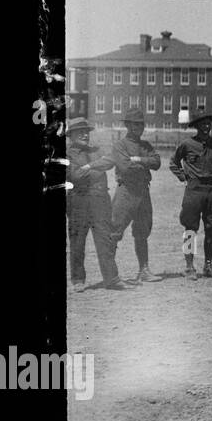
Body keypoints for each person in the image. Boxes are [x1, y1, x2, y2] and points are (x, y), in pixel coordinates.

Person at [66, 117, 127, 291]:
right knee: (77, 241)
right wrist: (94, 169)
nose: (85, 135)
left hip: (100, 200)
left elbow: (110, 161)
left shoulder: (96, 149)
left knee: (105, 239)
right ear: (71, 135)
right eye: (80, 132)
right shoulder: (67, 154)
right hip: (78, 201)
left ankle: (111, 279)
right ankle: (78, 280)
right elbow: (75, 176)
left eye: (86, 131)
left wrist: (87, 166)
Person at [170, 111, 212, 280]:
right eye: (203, 124)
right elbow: (173, 162)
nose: (206, 127)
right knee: (190, 228)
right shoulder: (187, 144)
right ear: (196, 126)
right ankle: (189, 267)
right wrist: (184, 177)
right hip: (194, 191)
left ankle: (208, 266)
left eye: (209, 124)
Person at [109, 110, 162, 282]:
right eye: (135, 124)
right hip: (126, 191)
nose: (139, 127)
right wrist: (143, 164)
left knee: (142, 231)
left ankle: (144, 270)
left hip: (143, 192)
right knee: (114, 230)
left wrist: (138, 159)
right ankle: (110, 273)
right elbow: (125, 168)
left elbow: (157, 163)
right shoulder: (120, 145)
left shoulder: (146, 145)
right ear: (127, 125)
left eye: (141, 124)